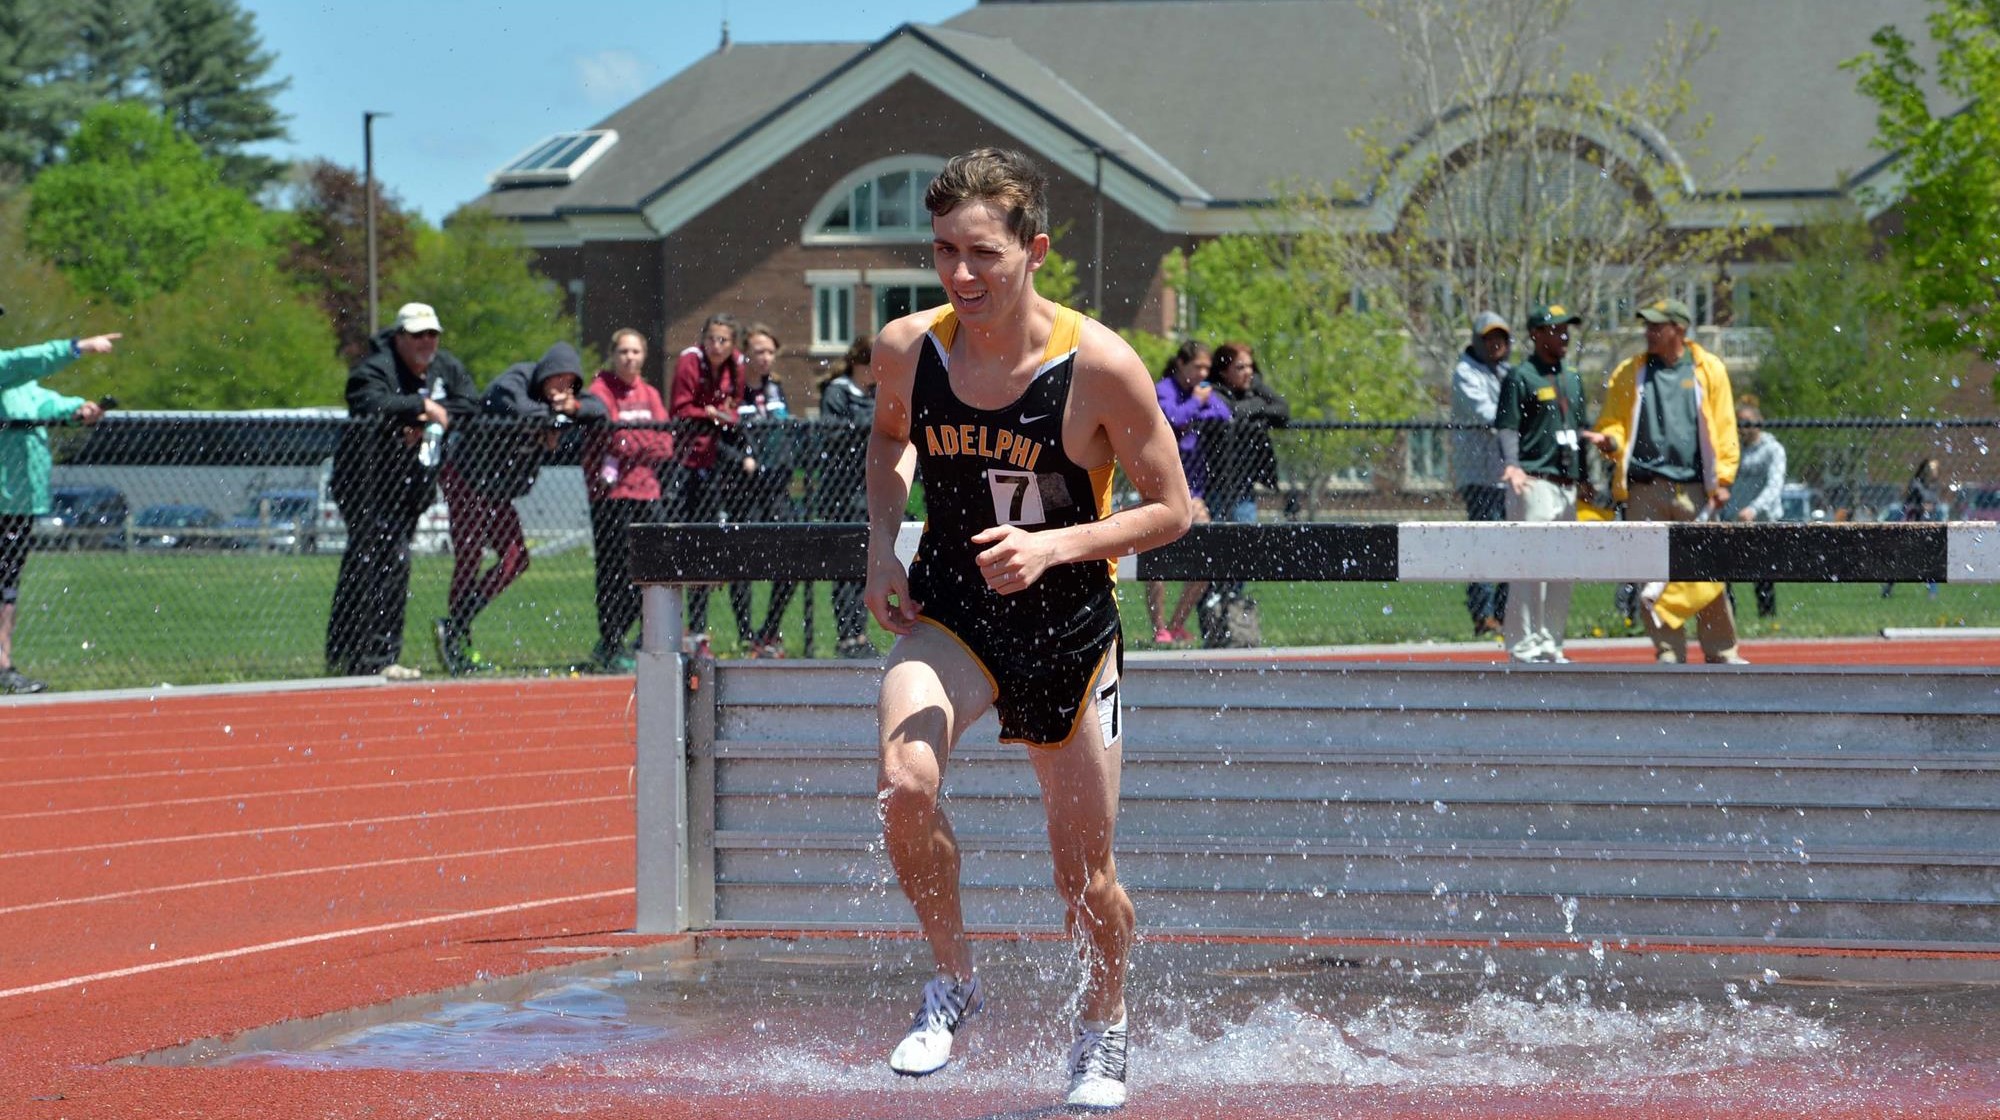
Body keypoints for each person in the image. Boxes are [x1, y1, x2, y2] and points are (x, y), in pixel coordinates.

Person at [863, 148, 1191, 1112]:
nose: (960, 276)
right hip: (951, 612)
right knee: (902, 786)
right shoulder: (906, 349)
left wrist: (1058, 548)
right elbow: (889, 441)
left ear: (1034, 251)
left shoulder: (1098, 364)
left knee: (1082, 872)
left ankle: (1103, 1030)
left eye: (982, 255)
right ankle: (954, 981)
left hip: (1067, 628)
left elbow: (1175, 509)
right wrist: (884, 546)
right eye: (943, 253)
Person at [434, 341, 607, 675]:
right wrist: (554, 417)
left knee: (516, 558)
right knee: (470, 556)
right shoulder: (520, 379)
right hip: (468, 478)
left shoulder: (562, 402)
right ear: (545, 373)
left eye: (570, 383)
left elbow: (599, 410)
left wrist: (569, 409)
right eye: (557, 379)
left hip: (499, 491)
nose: (561, 388)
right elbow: (510, 403)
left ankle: (456, 623)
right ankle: (458, 643)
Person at [326, 302, 478, 680]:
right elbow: (367, 401)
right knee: (384, 563)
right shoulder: (376, 368)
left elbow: (471, 402)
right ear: (400, 338)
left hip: (409, 488)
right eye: (417, 335)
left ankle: (347, 653)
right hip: (366, 484)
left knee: (373, 564)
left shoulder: (445, 367)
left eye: (432, 334)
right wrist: (419, 407)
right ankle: (374, 658)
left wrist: (428, 415)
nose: (426, 342)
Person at [1593, 297, 1746, 665]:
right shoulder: (1630, 371)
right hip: (1645, 489)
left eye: (1656, 326)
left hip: (1694, 489)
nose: (1649, 332)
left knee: (1707, 574)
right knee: (1651, 577)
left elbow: (1725, 428)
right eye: (1647, 326)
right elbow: (1613, 421)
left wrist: (1723, 478)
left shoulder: (1708, 369)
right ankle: (1668, 650)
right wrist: (1611, 441)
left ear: (1679, 328)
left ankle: (1721, 650)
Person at [0, 321, 117, 695]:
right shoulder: (8, 368)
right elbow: (23, 362)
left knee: (6, 588)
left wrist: (76, 408)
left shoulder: (19, 383)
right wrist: (77, 347)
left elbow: (41, 399)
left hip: (18, 503)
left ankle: (3, 666)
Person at [1495, 304, 1605, 664]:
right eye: (1555, 329)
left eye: (1566, 329)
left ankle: (1551, 643)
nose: (1563, 336)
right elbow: (1508, 426)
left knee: (1563, 568)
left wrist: (1586, 479)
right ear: (1536, 334)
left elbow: (1579, 431)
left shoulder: (1572, 378)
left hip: (1566, 485)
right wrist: (1512, 465)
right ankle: (1523, 645)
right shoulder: (1520, 377)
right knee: (1530, 568)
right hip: (1534, 481)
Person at [585, 328, 674, 673]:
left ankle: (625, 637)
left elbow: (665, 443)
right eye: (623, 351)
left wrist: (631, 443)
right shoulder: (600, 390)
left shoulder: (649, 392)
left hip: (647, 492)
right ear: (613, 354)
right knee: (614, 572)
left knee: (649, 570)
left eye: (636, 352)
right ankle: (609, 641)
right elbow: (612, 438)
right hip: (613, 496)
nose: (630, 358)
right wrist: (639, 441)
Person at [668, 313, 751, 656]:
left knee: (728, 542)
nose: (716, 346)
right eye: (711, 339)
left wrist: (723, 413)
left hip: (721, 461)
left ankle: (743, 632)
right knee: (693, 540)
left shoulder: (737, 365)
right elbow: (681, 407)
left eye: (723, 340)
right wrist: (711, 414)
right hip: (690, 460)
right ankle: (693, 627)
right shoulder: (690, 361)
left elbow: (737, 404)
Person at [1201, 340, 1289, 646]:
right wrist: (1255, 411)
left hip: (1244, 490)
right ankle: (1213, 623)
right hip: (1216, 489)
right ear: (1224, 371)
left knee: (1244, 552)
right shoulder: (1210, 391)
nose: (1248, 372)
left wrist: (1252, 409)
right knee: (1215, 557)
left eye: (1250, 366)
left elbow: (1282, 410)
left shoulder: (1255, 388)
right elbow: (1229, 413)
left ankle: (1235, 621)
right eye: (1240, 367)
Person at [1145, 340, 1228, 645]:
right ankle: (1160, 629)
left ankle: (1178, 623)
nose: (1205, 373)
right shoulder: (1163, 389)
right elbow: (1172, 418)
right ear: (1181, 364)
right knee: (1158, 561)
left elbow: (1224, 414)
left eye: (1208, 368)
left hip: (1194, 491)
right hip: (1161, 486)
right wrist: (1194, 404)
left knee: (1207, 553)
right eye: (1199, 367)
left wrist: (1195, 408)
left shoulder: (1204, 392)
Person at [732, 323, 800, 658]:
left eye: (770, 352)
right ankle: (745, 632)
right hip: (745, 492)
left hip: (777, 490)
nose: (765, 358)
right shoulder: (735, 393)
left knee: (790, 560)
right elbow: (723, 439)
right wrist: (742, 457)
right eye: (759, 351)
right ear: (746, 354)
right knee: (743, 562)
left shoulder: (777, 390)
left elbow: (786, 432)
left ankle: (769, 630)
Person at [1452, 311, 1512, 638]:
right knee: (1485, 543)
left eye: (1500, 338)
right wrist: (1520, 415)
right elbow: (1487, 413)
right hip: (1480, 476)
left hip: (1508, 475)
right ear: (1477, 341)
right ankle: (1483, 614)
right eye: (1489, 338)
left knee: (1509, 544)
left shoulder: (1508, 372)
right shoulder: (1465, 373)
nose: (1496, 344)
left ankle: (1504, 612)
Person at [816, 338, 877, 658]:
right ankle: (845, 635)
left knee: (864, 564)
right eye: (871, 365)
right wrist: (867, 425)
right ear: (858, 362)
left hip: (867, 490)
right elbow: (833, 433)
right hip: (841, 492)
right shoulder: (838, 392)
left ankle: (861, 632)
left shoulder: (877, 393)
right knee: (844, 564)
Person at [1719, 399, 1785, 618]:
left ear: (1760, 423)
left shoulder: (1773, 450)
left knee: (1763, 574)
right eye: (1739, 424)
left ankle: (1767, 619)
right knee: (1724, 571)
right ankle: (1730, 617)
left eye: (1748, 423)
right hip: (1733, 520)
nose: (1743, 429)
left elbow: (1775, 485)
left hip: (1762, 520)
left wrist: (1754, 509)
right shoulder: (1732, 450)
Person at [1883, 457, 1944, 598]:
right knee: (1902, 557)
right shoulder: (1916, 484)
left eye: (1936, 469)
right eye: (1931, 469)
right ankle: (1888, 587)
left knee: (1929, 558)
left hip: (1928, 525)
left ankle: (1932, 591)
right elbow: (1910, 503)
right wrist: (1922, 506)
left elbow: (1933, 502)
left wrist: (1930, 506)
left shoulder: (1935, 486)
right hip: (1913, 523)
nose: (1934, 472)